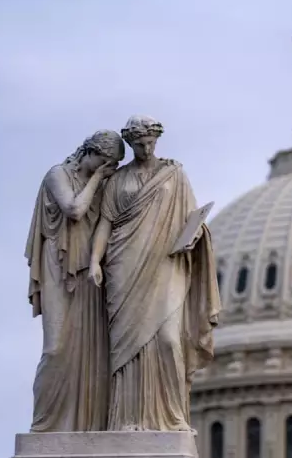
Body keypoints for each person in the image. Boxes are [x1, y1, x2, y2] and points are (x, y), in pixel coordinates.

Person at [89, 115, 221, 432]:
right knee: (126, 348)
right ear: (130, 144)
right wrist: (94, 261)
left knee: (168, 340)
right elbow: (105, 223)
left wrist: (195, 236)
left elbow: (192, 220)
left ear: (157, 141)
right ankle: (127, 419)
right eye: (138, 144)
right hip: (124, 264)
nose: (145, 149)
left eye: (149, 143)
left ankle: (173, 417)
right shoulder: (118, 181)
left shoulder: (174, 175)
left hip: (166, 264)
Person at [25, 130, 125, 432]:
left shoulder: (105, 185)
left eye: (113, 166)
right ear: (90, 152)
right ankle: (44, 424)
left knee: (91, 354)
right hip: (58, 264)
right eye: (105, 162)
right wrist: (97, 178)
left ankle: (84, 425)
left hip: (89, 271)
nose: (108, 170)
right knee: (55, 349)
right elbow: (74, 210)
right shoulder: (58, 174)